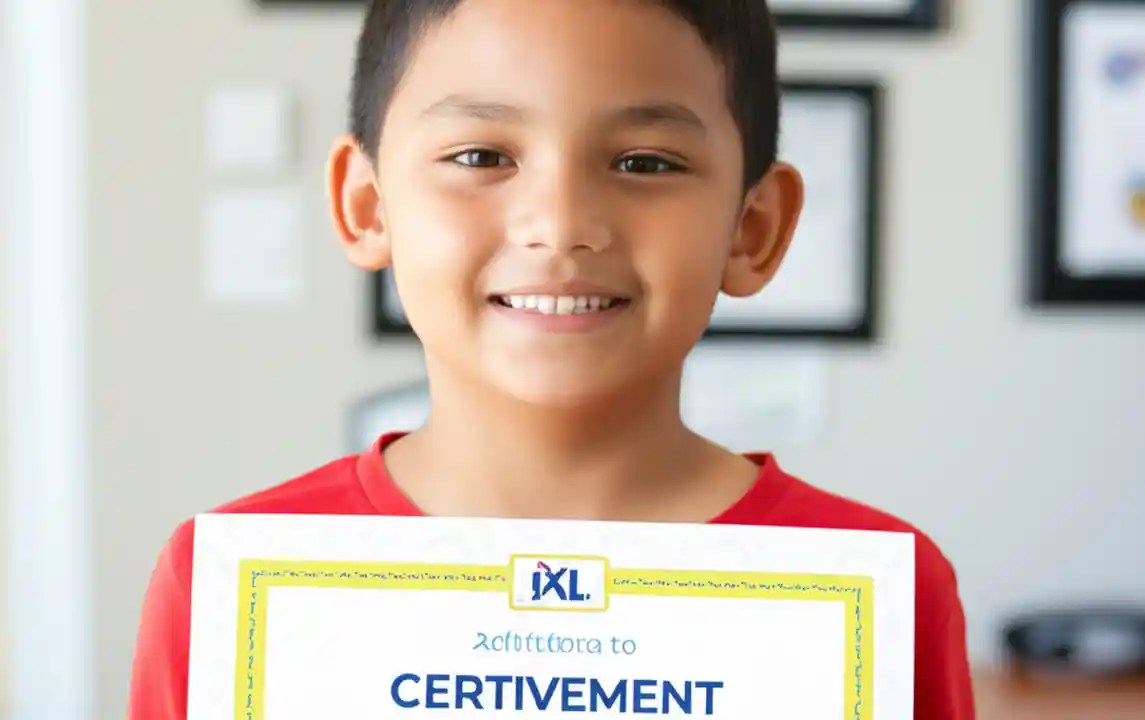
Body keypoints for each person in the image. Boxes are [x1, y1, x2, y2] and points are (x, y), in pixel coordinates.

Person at [127, 0, 974, 717]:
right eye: (481, 157)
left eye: (645, 162)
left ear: (752, 230)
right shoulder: (221, 587)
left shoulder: (886, 593)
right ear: (367, 206)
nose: (561, 222)